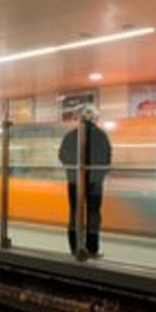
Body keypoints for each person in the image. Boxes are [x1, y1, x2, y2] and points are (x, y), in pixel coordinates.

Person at [58, 104, 112, 257]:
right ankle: (92, 248)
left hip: (75, 182)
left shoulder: (70, 135)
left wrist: (72, 172)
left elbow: (62, 156)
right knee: (93, 214)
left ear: (80, 118)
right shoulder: (101, 135)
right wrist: (99, 176)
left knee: (75, 213)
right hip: (95, 183)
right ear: (94, 118)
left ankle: (75, 247)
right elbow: (107, 159)